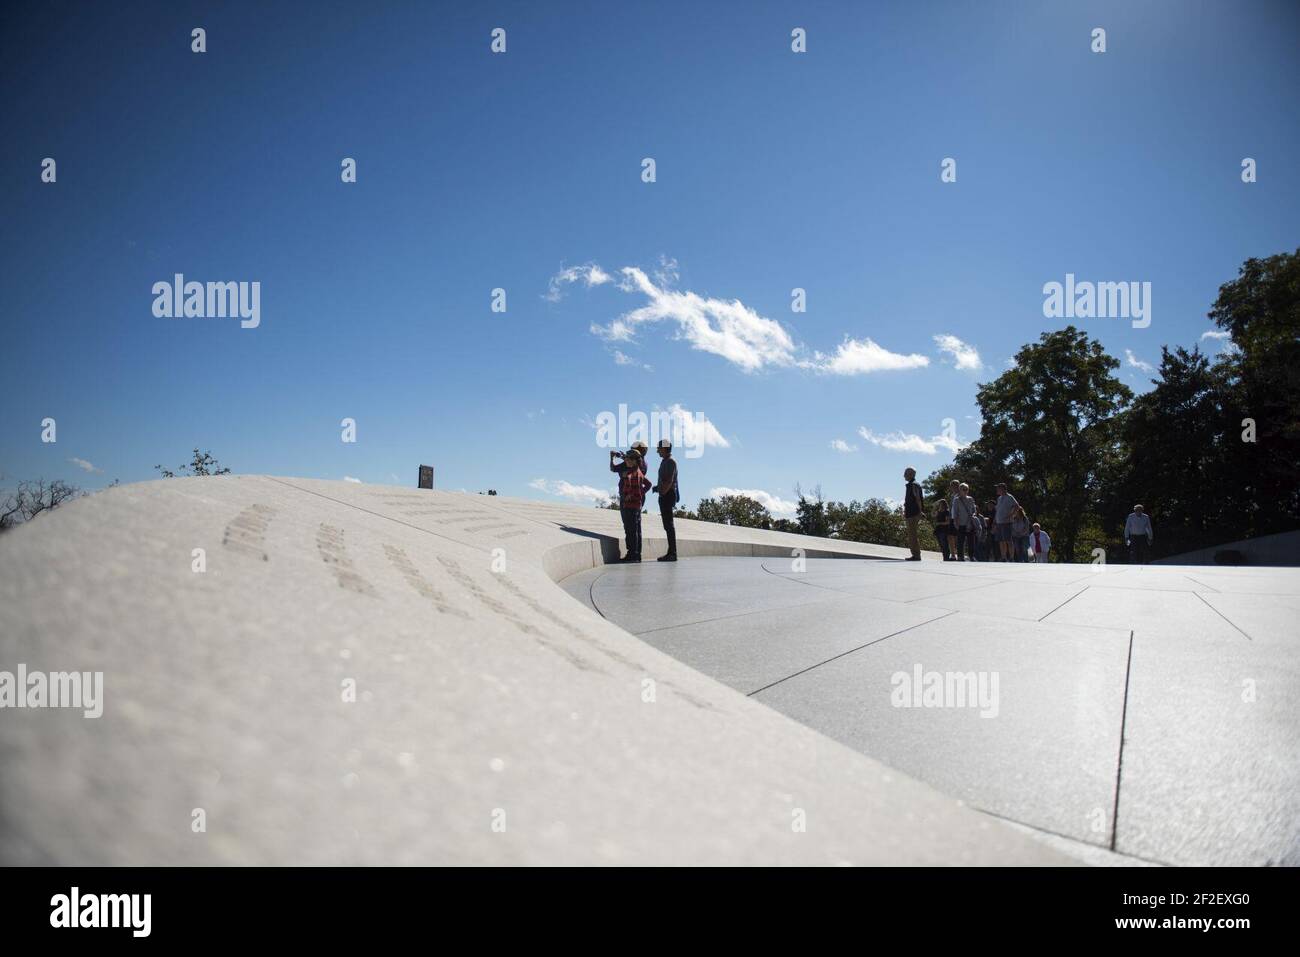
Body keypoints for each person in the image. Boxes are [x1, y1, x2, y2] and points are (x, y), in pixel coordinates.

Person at [612, 449, 651, 562]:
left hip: (629, 506)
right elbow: (648, 485)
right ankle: (636, 554)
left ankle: (632, 554)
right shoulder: (639, 471)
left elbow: (628, 482)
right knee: (635, 530)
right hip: (636, 506)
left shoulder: (630, 473)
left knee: (630, 530)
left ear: (634, 461)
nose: (626, 461)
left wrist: (632, 495)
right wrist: (639, 494)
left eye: (628, 459)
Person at [652, 439, 679, 562]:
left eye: (659, 448)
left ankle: (672, 553)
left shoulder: (670, 462)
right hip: (666, 495)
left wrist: (662, 492)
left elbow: (669, 481)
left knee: (669, 525)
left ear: (664, 449)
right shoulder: (666, 462)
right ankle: (671, 552)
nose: (657, 451)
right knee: (667, 525)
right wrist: (658, 488)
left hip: (667, 496)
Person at [993, 483, 1020, 562]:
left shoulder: (1009, 497)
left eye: (998, 488)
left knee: (1008, 540)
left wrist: (1012, 515)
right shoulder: (999, 498)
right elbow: (998, 510)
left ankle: (1011, 557)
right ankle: (1003, 557)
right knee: (1001, 540)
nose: (997, 490)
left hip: (1006, 522)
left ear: (1003, 489)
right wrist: (995, 521)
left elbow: (1017, 506)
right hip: (999, 522)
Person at [902, 467, 924, 561]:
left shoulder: (914, 485)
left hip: (913, 513)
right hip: (910, 513)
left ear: (911, 474)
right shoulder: (911, 485)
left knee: (912, 535)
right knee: (911, 535)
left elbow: (918, 499)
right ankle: (915, 554)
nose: (904, 475)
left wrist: (920, 511)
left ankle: (916, 555)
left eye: (906, 473)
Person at [950, 482, 975, 561]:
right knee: (961, 541)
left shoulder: (970, 499)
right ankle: (960, 556)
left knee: (971, 541)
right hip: (961, 523)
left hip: (970, 523)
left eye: (966, 489)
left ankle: (971, 556)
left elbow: (974, 510)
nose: (965, 491)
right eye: (963, 489)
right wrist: (955, 522)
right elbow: (955, 512)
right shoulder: (956, 500)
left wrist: (973, 516)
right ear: (960, 490)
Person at [933, 496, 951, 561]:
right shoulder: (938, 511)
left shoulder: (947, 512)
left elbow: (948, 522)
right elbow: (933, 515)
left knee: (944, 543)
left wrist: (940, 523)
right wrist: (935, 506)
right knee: (941, 544)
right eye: (940, 504)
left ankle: (947, 557)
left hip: (944, 529)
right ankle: (944, 556)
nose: (940, 505)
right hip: (938, 529)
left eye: (942, 503)